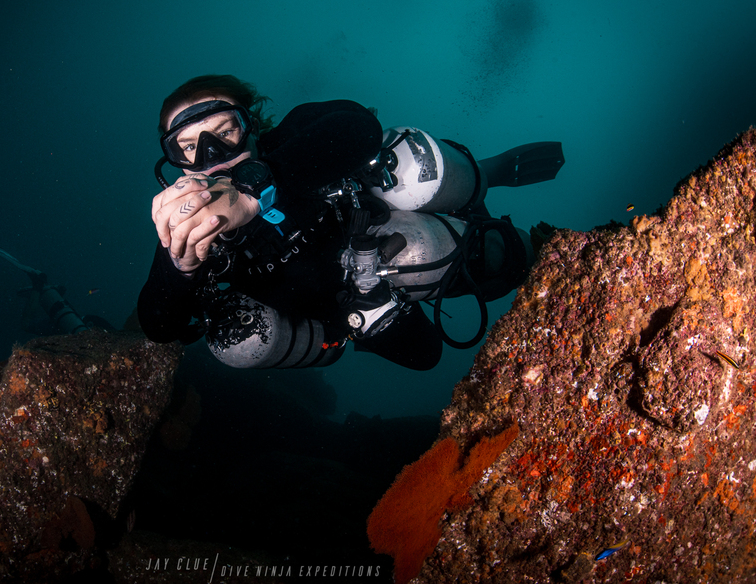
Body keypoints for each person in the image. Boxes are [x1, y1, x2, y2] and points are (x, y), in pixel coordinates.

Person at [137, 75, 563, 370]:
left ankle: (489, 189)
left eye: (224, 130)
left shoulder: (290, 141)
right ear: (173, 163)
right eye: (188, 147)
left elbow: (358, 126)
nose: (213, 154)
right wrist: (181, 265)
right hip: (354, 305)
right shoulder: (193, 228)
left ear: (249, 125)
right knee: (235, 342)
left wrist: (255, 189)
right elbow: (159, 326)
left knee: (439, 225)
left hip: (395, 235)